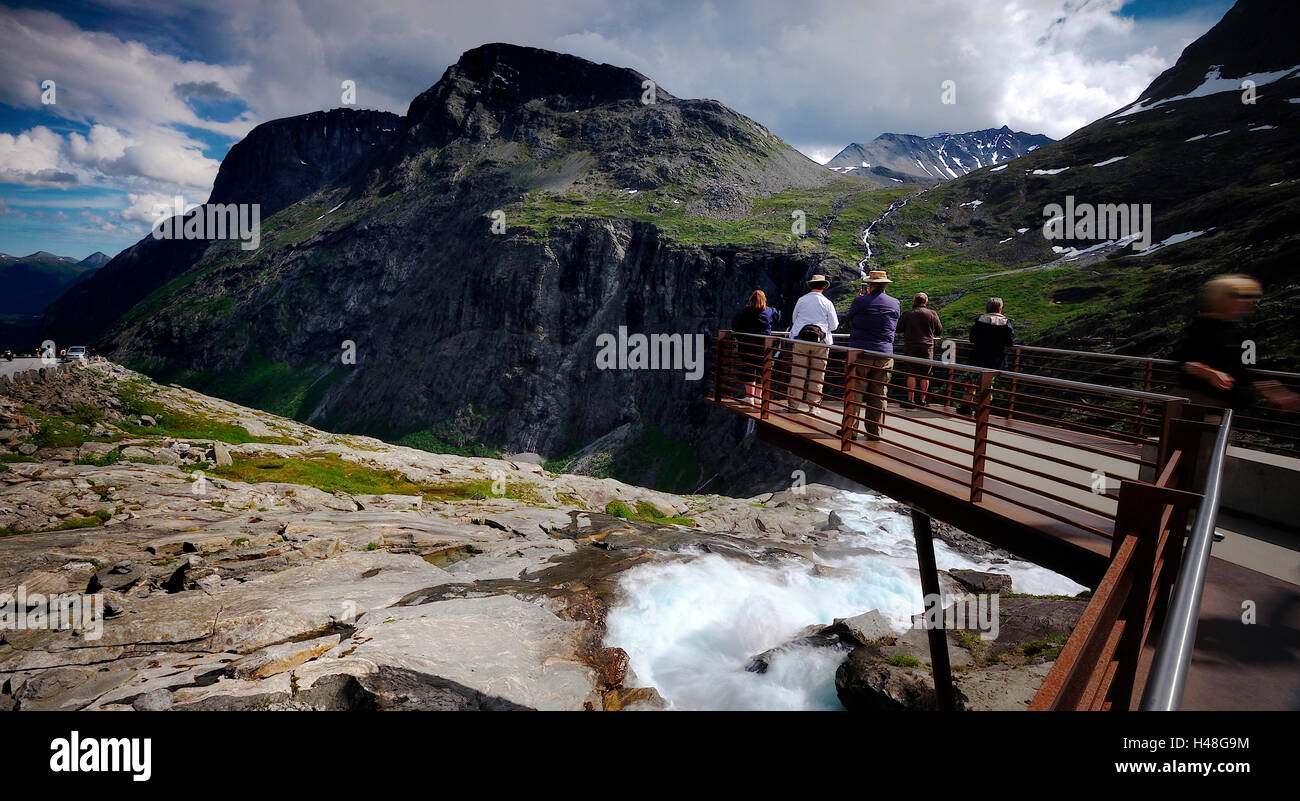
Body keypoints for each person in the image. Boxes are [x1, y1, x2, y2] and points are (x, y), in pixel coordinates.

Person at [1173, 274, 1300, 412]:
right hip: (1196, 403)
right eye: (1243, 296)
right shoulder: (1202, 327)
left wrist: (1279, 393)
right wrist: (1207, 372)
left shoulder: (1244, 332)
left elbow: (1249, 367)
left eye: (1253, 296)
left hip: (1225, 407)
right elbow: (1182, 361)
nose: (1251, 301)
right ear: (1222, 298)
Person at [842, 270, 900, 439]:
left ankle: (850, 430)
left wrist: (861, 299)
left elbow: (849, 318)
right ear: (885, 285)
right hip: (884, 354)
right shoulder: (895, 303)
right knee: (879, 393)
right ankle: (875, 432)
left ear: (870, 285)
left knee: (855, 392)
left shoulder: (860, 301)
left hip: (861, 353)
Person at [787, 273, 839, 413]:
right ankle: (813, 406)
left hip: (801, 339)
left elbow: (794, 319)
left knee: (798, 372)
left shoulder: (801, 300)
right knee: (817, 374)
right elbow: (834, 325)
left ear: (810, 286)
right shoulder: (827, 303)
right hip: (820, 341)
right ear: (823, 286)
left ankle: (794, 405)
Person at [961, 297, 1015, 414]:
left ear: (987, 308)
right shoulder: (1006, 323)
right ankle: (982, 410)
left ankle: (967, 406)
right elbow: (1010, 342)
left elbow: (972, 338)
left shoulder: (980, 321)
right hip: (994, 360)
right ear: (1000, 309)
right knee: (988, 385)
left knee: (971, 382)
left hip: (977, 357)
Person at [731, 290, 782, 404]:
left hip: (746, 346)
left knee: (749, 370)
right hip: (763, 347)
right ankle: (759, 398)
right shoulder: (769, 311)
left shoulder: (744, 312)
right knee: (761, 371)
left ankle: (750, 397)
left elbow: (734, 325)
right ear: (764, 300)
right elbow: (778, 316)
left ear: (751, 300)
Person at [898, 292, 943, 406]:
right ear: (926, 302)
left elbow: (898, 328)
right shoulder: (932, 313)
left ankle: (910, 399)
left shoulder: (907, 314)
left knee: (911, 373)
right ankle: (922, 400)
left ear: (914, 301)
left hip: (911, 345)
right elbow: (939, 330)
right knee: (925, 374)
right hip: (927, 346)